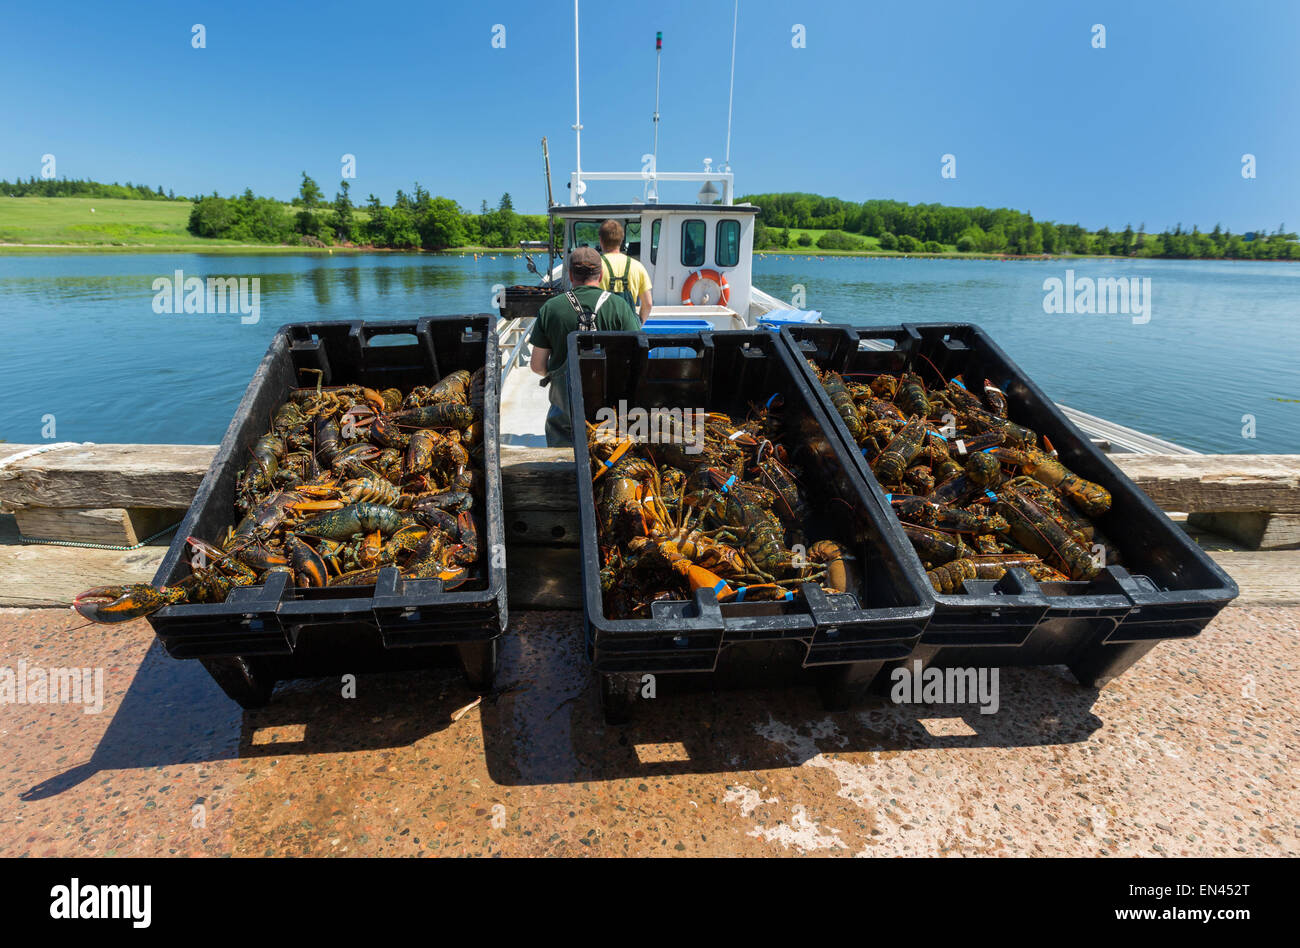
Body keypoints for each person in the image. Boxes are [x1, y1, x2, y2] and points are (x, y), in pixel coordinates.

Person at [530, 247, 641, 446]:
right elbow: (637, 358)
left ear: (570, 274)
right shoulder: (620, 306)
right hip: (609, 419)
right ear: (601, 275)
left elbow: (537, 366)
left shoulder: (550, 308)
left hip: (564, 419)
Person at [596, 219, 653, 323]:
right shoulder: (638, 266)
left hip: (603, 330)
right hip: (629, 329)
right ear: (621, 240)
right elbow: (648, 303)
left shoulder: (596, 265)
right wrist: (638, 324)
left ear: (600, 240)